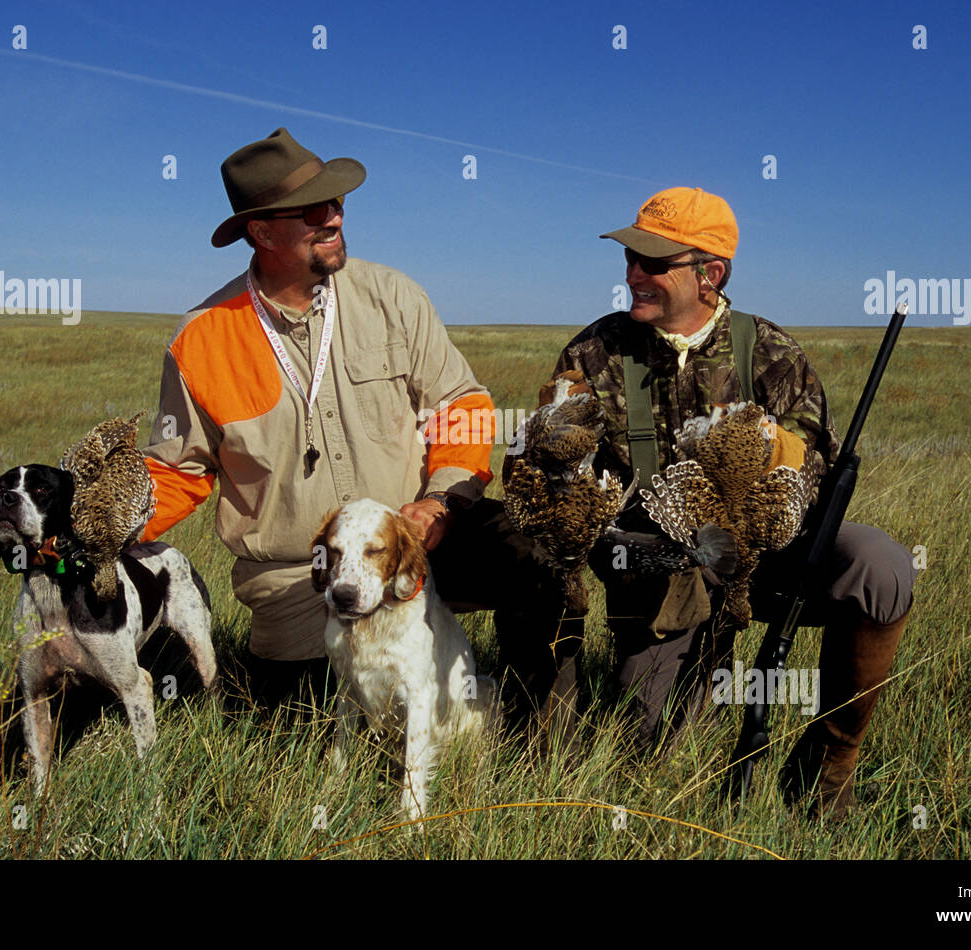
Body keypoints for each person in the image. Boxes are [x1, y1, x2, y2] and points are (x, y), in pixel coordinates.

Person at [138, 128, 573, 728]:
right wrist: (85, 527)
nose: (334, 215)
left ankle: (536, 741)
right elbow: (176, 469)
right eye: (311, 209)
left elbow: (461, 404)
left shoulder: (394, 296)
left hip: (419, 542)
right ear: (261, 232)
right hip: (303, 579)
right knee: (305, 747)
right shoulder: (203, 339)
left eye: (336, 201)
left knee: (540, 558)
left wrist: (440, 501)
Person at [540, 186, 916, 817]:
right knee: (650, 756)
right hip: (662, 576)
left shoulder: (770, 352)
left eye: (654, 264)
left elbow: (814, 469)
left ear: (709, 275)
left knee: (880, 565)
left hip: (765, 561)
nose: (634, 274)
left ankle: (832, 764)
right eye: (631, 259)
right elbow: (560, 478)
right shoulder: (593, 353)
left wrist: (764, 468)